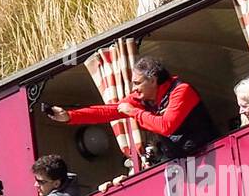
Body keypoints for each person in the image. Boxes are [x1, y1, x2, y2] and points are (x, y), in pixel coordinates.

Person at [46, 56, 218, 166]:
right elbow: (108, 112)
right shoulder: (141, 98)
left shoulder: (181, 91)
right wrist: (69, 116)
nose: (133, 88)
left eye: (137, 83)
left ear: (153, 80)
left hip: (209, 154)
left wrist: (134, 112)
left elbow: (166, 126)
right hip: (181, 162)